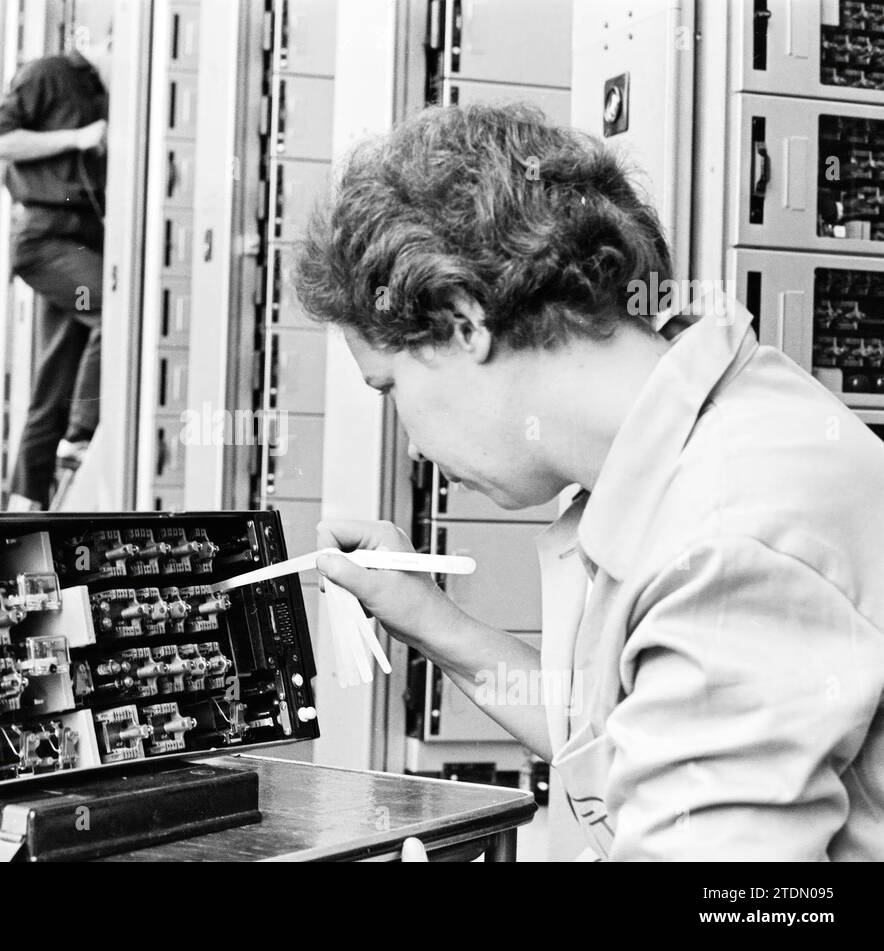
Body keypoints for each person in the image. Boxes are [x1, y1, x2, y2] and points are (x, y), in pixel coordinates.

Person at [297, 103, 884, 860]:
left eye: (390, 388)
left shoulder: (726, 544)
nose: (410, 442)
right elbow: (631, 737)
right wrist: (428, 621)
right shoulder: (716, 428)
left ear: (459, 320)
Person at [0, 31, 111, 511]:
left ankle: (25, 504)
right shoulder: (48, 74)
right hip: (48, 241)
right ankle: (79, 440)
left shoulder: (103, 90)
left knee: (52, 382)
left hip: (83, 242)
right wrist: (77, 137)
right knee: (115, 315)